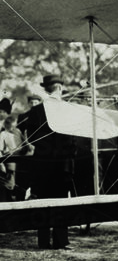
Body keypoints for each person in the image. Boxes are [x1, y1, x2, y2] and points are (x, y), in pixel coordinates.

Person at [19, 74, 77, 249]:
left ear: (45, 89)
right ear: (60, 88)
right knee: (60, 202)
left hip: (42, 163)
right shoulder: (67, 109)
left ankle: (43, 241)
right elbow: (72, 140)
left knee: (43, 202)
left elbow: (32, 137)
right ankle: (61, 241)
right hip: (62, 165)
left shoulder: (36, 111)